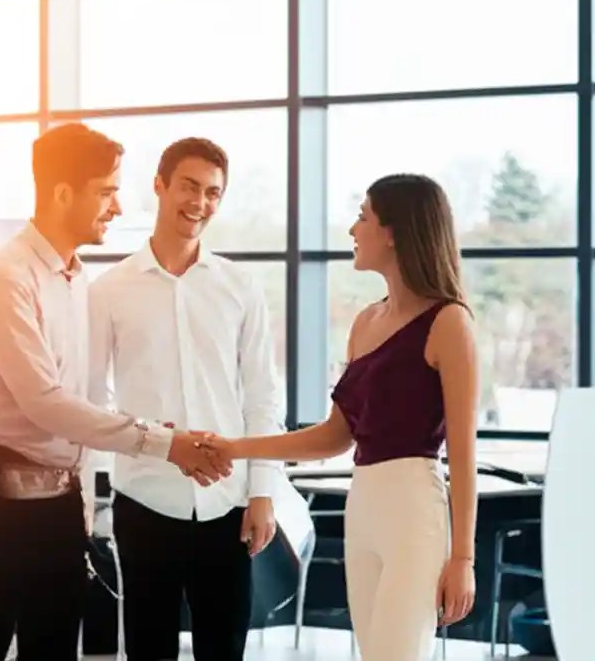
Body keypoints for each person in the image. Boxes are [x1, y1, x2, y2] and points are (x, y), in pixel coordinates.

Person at [0, 123, 230, 661]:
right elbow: (45, 402)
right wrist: (162, 441)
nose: (117, 208)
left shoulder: (76, 281)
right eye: (106, 191)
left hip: (57, 504)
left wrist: (86, 501)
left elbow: (87, 400)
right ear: (61, 194)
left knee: (54, 652)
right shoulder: (5, 277)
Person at [203, 173, 479, 660]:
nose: (353, 230)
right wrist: (235, 447)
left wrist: (463, 557)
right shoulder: (366, 322)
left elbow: (463, 453)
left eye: (363, 217)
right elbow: (334, 436)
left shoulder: (450, 322)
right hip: (364, 505)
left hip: (416, 511)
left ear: (393, 231)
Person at [87, 137, 285, 661]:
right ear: (160, 185)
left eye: (214, 193)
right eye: (190, 187)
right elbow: (91, 400)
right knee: (149, 650)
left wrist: (262, 491)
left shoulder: (240, 287)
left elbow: (263, 395)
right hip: (144, 499)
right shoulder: (109, 289)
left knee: (225, 650)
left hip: (227, 504)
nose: (200, 203)